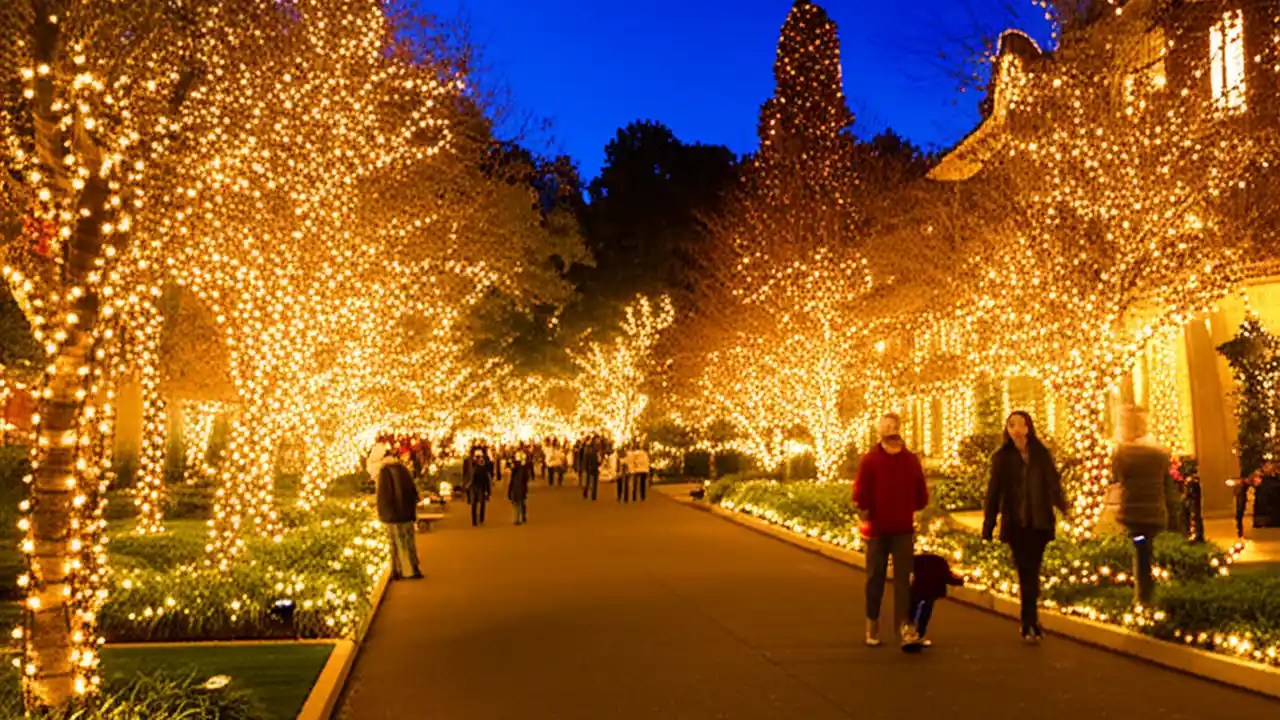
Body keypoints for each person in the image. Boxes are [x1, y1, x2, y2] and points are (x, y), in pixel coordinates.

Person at [983, 411, 1068, 643]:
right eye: (1012, 425)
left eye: (1021, 424)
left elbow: (1053, 484)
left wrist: (1065, 508)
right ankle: (1029, 621)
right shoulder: (1002, 457)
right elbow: (994, 493)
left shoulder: (1041, 455)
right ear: (1007, 430)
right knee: (1025, 571)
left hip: (1039, 522)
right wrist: (989, 524)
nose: (1017, 429)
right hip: (1017, 523)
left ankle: (1031, 620)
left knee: (1034, 571)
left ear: (1029, 427)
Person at [854, 413, 928, 649]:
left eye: (890, 425)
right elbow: (861, 493)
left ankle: (904, 627)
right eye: (883, 426)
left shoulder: (910, 460)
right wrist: (864, 512)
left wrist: (914, 508)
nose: (887, 429)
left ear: (898, 428)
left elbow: (921, 493)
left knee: (903, 580)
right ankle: (872, 622)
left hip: (903, 528)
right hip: (877, 528)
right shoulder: (871, 460)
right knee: (875, 577)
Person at [1111, 406, 1170, 606]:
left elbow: (1117, 475)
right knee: (1146, 549)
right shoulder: (1159, 452)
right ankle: (1148, 592)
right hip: (1154, 510)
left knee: (1141, 550)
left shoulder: (1123, 452)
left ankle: (1143, 596)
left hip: (1134, 513)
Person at [373, 446, 422, 580]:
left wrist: (382, 512)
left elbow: (383, 495)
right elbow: (412, 490)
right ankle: (412, 568)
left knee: (395, 542)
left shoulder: (384, 472)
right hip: (406, 512)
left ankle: (400, 570)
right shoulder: (402, 469)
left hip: (392, 514)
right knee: (408, 541)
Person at [906, 552, 964, 651]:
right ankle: (920, 634)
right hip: (931, 590)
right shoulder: (941, 562)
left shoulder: (917, 559)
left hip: (917, 589)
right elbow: (947, 578)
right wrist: (961, 581)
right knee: (926, 612)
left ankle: (909, 633)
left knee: (913, 610)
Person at [468, 448, 493, 527]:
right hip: (477, 487)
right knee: (475, 505)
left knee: (478, 504)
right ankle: (475, 520)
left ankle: (478, 519)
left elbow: (486, 480)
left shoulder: (481, 468)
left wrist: (488, 491)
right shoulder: (475, 467)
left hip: (479, 488)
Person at [509, 444, 533, 525]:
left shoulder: (520, 469)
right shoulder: (521, 469)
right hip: (520, 487)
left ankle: (519, 518)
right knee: (520, 503)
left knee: (518, 503)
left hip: (519, 487)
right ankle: (520, 517)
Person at [583, 437, 601, 501]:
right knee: (588, 481)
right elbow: (586, 459)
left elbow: (599, 461)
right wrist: (586, 467)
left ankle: (594, 496)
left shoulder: (598, 451)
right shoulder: (589, 450)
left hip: (595, 467)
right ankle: (586, 491)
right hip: (590, 467)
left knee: (595, 482)